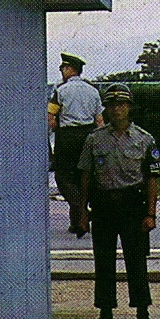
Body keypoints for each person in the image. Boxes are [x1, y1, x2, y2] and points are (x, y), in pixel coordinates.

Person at [78, 83, 160, 319]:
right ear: (106, 109)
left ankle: (143, 315)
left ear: (130, 108)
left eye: (122, 105)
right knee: (103, 263)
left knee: (136, 263)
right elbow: (85, 176)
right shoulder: (94, 140)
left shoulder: (144, 139)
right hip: (103, 206)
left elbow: (151, 178)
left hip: (132, 207)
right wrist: (82, 211)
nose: (117, 110)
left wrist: (151, 213)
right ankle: (105, 316)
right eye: (112, 105)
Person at [48, 53, 104, 237]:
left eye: (63, 68)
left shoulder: (61, 91)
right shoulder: (93, 91)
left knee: (63, 177)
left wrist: (54, 132)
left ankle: (80, 210)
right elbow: (99, 120)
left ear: (70, 69)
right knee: (83, 176)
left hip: (68, 136)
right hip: (88, 135)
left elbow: (51, 118)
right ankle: (76, 223)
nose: (62, 72)